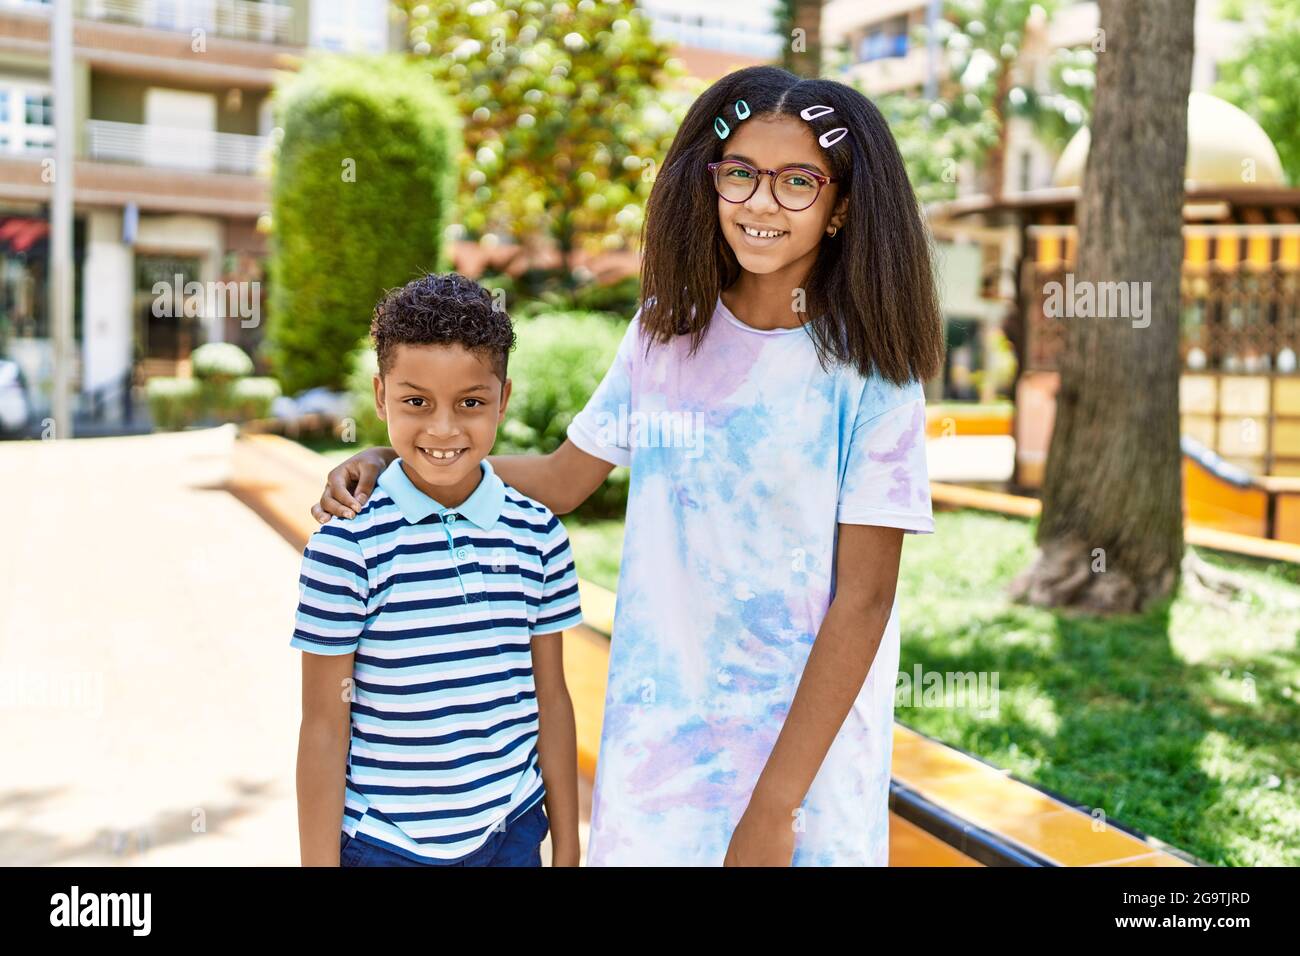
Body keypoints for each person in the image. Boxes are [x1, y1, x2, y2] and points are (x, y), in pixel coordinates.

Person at [312, 65, 944, 866]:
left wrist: (776, 809)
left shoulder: (874, 371)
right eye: (741, 174)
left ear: (842, 205)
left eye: (797, 182)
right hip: (661, 756)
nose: (759, 202)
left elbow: (866, 597)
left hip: (806, 769)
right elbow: (565, 479)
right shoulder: (664, 332)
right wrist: (401, 460)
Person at [292, 272, 584, 867]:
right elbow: (324, 726)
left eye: (471, 403)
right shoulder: (347, 544)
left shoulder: (539, 535)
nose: (444, 429)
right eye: (415, 401)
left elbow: (549, 698)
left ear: (503, 399)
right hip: (384, 844)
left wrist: (570, 846)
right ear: (380, 396)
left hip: (512, 829)